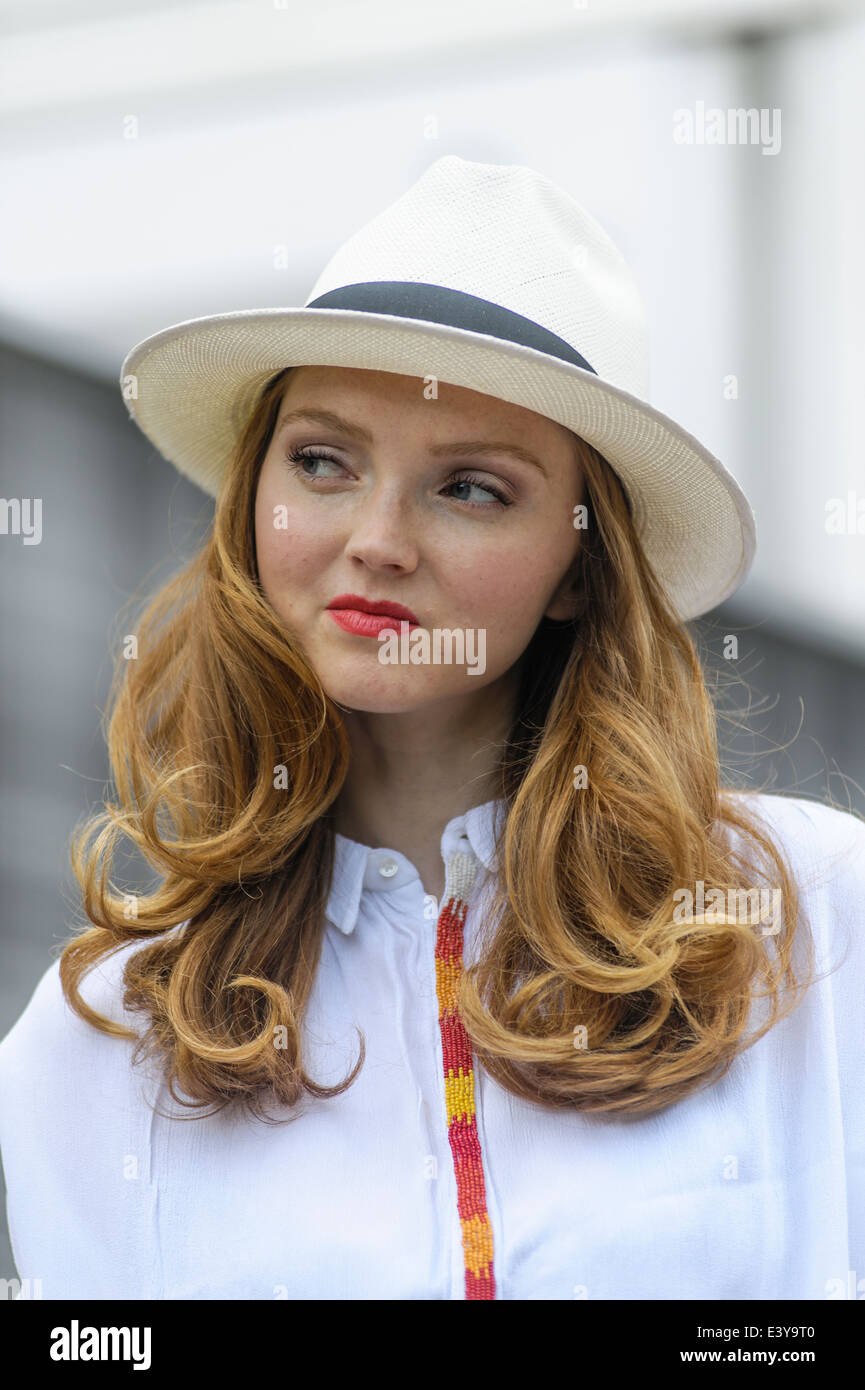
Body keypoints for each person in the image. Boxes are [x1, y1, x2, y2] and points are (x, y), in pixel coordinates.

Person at [0, 156, 863, 1301]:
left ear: (579, 564)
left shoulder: (810, 915)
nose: (378, 538)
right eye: (322, 462)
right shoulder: (95, 1042)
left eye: (472, 487)